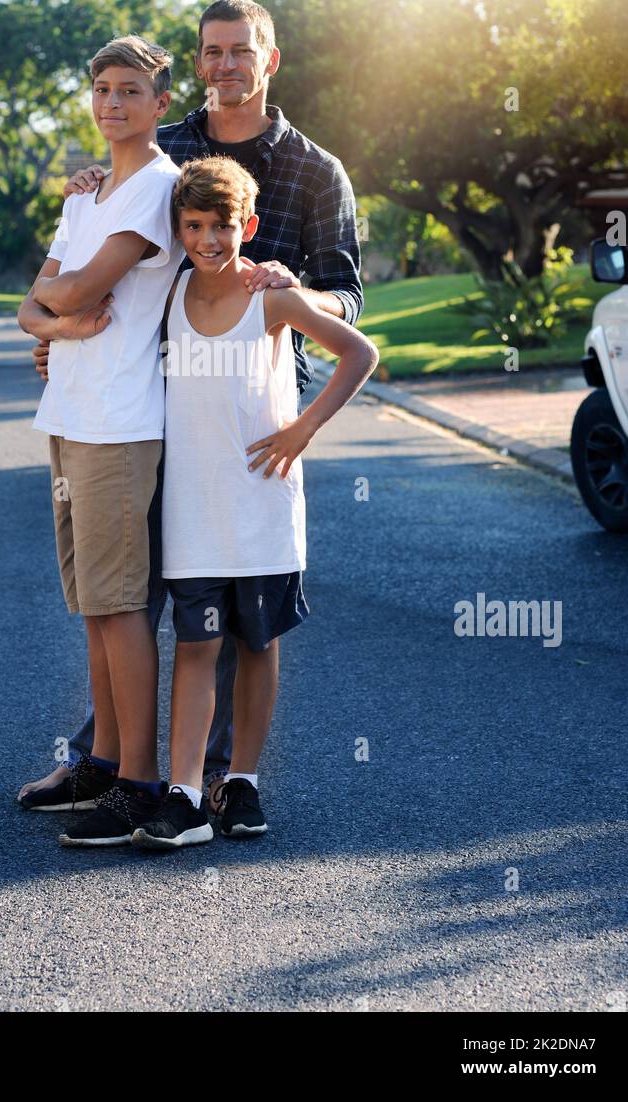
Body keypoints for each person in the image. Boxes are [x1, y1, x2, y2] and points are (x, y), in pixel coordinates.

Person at [34, 0, 363, 811]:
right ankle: (109, 762)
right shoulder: (167, 149)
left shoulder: (316, 171)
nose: (224, 65)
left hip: (250, 409)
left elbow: (350, 300)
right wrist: (86, 201)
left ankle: (210, 776)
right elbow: (121, 237)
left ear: (269, 59)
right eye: (211, 51)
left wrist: (297, 291)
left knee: (227, 607)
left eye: (240, 51)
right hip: (154, 402)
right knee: (130, 597)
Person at [127, 156, 378, 848]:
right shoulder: (169, 298)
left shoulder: (273, 298)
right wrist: (52, 348)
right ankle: (183, 795)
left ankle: (240, 782)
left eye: (223, 226)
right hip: (191, 512)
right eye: (195, 226)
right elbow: (116, 344)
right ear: (178, 230)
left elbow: (359, 355)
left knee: (257, 643)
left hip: (265, 507)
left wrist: (303, 428)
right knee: (198, 645)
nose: (209, 239)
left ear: (250, 226)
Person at [15, 34, 185, 845]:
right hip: (67, 418)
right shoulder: (84, 196)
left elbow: (74, 287)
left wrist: (61, 308)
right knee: (91, 604)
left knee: (121, 606)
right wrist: (58, 317)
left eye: (130, 91)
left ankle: (141, 786)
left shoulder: (157, 188)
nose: (112, 103)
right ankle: (104, 762)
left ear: (159, 105)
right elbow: (30, 308)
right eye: (102, 90)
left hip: (118, 424)